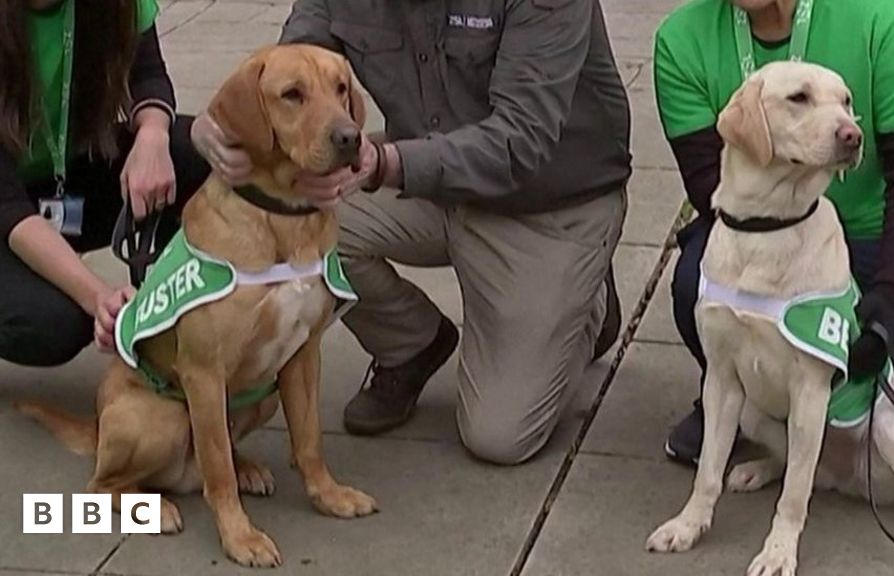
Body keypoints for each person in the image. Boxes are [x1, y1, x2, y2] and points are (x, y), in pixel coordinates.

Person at [192, 0, 632, 465]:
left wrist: (384, 164)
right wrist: (213, 130)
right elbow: (291, 69)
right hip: (422, 174)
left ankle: (586, 301)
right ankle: (410, 343)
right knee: (291, 223)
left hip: (546, 201)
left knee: (499, 436)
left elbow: (522, 140)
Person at [653, 0, 894, 465]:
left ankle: (874, 404)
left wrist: (887, 294)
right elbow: (708, 186)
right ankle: (747, 395)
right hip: (765, 233)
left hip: (878, 232)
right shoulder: (681, 40)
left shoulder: (879, 18)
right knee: (692, 288)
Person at [0, 0, 209, 367]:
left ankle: (180, 318)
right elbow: (8, 206)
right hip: (9, 205)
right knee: (52, 324)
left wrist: (152, 135)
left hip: (62, 178)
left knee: (193, 149)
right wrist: (100, 297)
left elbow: (148, 73)